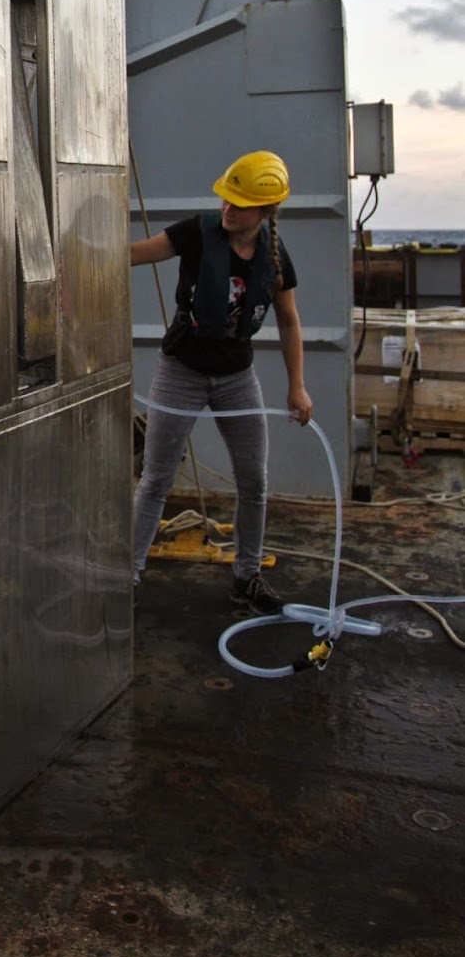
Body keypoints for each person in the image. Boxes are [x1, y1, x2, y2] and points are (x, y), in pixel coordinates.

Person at [130, 150, 313, 614]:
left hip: (236, 377)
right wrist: (82, 255)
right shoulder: (197, 232)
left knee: (254, 481)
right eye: (226, 200)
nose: (228, 209)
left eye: (240, 204)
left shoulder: (275, 255)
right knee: (155, 480)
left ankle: (247, 578)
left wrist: (298, 386)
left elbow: (289, 322)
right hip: (181, 372)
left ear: (265, 212)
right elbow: (135, 254)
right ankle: (125, 578)